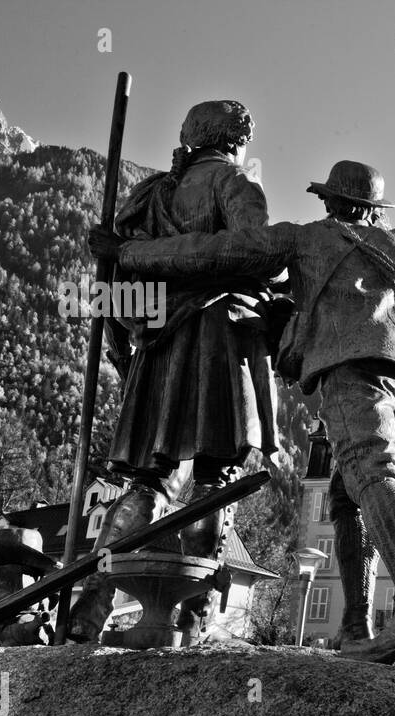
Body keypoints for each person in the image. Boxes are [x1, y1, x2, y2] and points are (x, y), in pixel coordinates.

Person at [91, 160, 395, 664]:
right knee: (346, 495)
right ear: (374, 211)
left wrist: (128, 251)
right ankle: (357, 629)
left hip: (355, 367)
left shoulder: (304, 239)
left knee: (371, 476)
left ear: (329, 202)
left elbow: (212, 250)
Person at [71, 100, 285, 644]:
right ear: (235, 141)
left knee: (149, 481)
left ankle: (88, 613)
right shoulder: (235, 184)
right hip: (215, 339)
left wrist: (137, 276)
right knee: (214, 478)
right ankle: (191, 622)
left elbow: (116, 275)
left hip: (159, 345)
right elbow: (254, 251)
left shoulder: (150, 196)